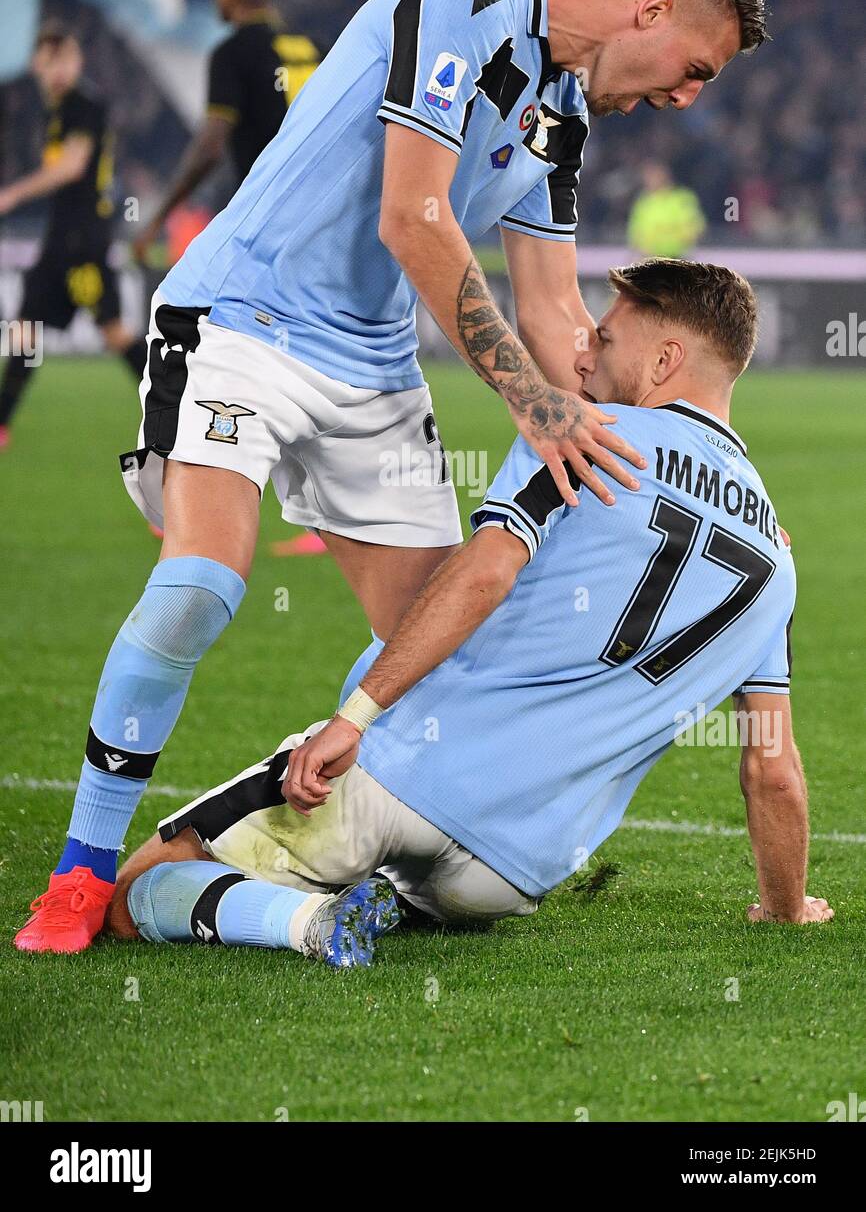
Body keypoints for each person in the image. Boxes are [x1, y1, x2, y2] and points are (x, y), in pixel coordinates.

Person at [15, 0, 768, 954]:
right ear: (650, 11)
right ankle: (81, 870)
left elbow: (552, 312)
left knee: (431, 638)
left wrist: (652, 440)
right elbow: (411, 219)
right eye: (693, 70)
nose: (685, 99)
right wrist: (533, 406)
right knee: (203, 582)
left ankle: (382, 853)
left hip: (371, 367)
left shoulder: (563, 117)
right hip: (244, 319)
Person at [102, 259, 831, 969]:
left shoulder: (590, 435)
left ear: (667, 357)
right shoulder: (777, 564)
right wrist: (786, 905)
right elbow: (773, 768)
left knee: (134, 897)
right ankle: (361, 898)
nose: (584, 354)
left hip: (396, 776)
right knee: (388, 874)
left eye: (606, 339)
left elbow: (484, 574)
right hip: (506, 876)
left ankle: (305, 921)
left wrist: (352, 717)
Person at [0, 22, 145, 447]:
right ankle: (3, 422)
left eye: (66, 59)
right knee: (24, 328)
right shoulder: (57, 111)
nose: (58, 70)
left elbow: (72, 167)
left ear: (78, 61)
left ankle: (173, 401)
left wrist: (12, 193)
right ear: (37, 65)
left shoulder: (84, 104)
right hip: (59, 237)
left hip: (85, 237)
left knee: (115, 331)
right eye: (50, 62)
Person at [132, 0, 319, 260]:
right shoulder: (314, 48)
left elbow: (210, 147)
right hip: (319, 214)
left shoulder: (231, 54)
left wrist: (159, 217)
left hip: (266, 219)